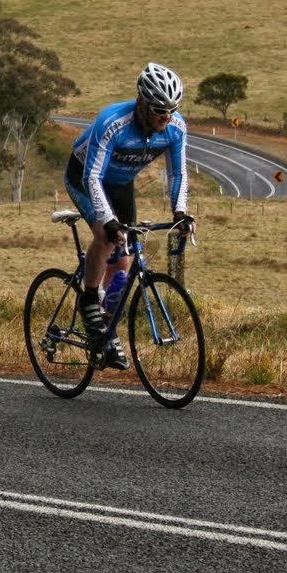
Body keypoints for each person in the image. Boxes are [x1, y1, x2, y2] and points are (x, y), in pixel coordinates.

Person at [63, 62, 195, 369]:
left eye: (172, 110)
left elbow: (179, 173)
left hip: (121, 185)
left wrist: (180, 212)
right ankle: (88, 299)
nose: (167, 118)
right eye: (160, 111)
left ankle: (105, 333)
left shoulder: (175, 128)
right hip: (85, 177)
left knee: (123, 263)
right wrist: (107, 222)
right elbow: (93, 177)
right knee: (105, 237)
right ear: (141, 104)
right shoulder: (112, 122)